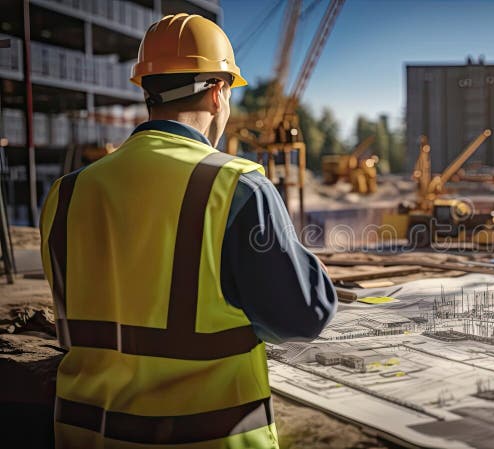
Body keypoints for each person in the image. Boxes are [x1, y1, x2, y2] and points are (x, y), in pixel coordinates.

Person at [39, 13, 336, 449]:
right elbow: (302, 316)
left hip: (86, 436)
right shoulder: (236, 187)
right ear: (217, 93)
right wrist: (309, 269)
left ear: (147, 91)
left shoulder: (66, 193)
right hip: (205, 437)